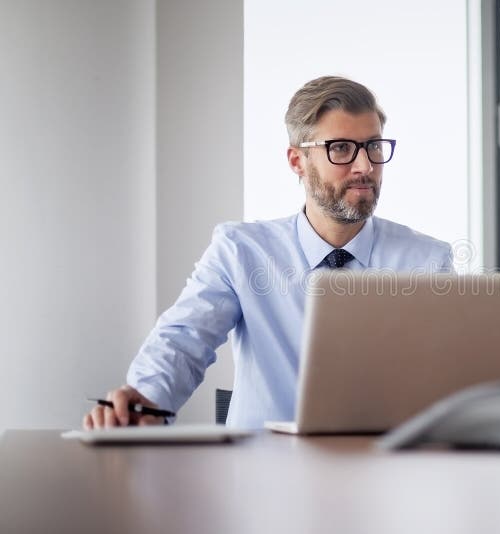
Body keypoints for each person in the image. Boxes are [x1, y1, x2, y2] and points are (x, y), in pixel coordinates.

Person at [83, 76, 453, 430]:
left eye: (373, 145)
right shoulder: (241, 252)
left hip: (385, 472)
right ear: (297, 161)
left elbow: (453, 377)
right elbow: (183, 340)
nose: (365, 166)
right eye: (341, 148)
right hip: (260, 474)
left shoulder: (427, 262)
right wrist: (146, 398)